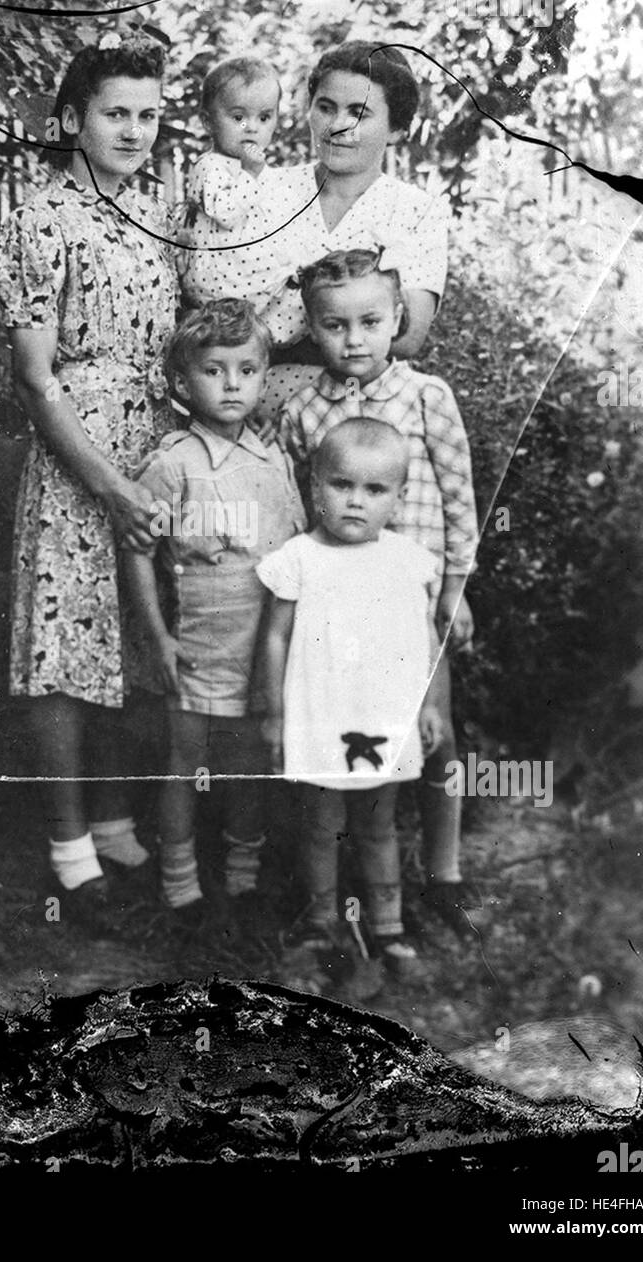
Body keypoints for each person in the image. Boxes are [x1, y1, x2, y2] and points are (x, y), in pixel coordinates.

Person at [0, 40, 177, 930]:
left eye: (148, 113)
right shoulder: (40, 220)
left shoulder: (157, 215)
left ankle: (113, 824)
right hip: (80, 463)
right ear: (72, 121)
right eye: (115, 113)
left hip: (154, 452)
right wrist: (106, 484)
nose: (134, 130)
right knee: (64, 655)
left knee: (130, 646)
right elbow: (35, 379)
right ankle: (70, 855)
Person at [278, 248, 483, 939]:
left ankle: (444, 872)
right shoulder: (303, 410)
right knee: (351, 739)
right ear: (313, 329)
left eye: (370, 321)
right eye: (335, 326)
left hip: (413, 605)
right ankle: (347, 888)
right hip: (339, 614)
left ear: (396, 318)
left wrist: (455, 586)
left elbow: (459, 497)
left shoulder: (426, 397)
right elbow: (297, 513)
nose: (354, 339)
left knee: (435, 732)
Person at [122, 299, 306, 918]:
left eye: (247, 370)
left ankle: (244, 879)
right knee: (185, 761)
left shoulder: (274, 461)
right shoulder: (173, 464)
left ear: (263, 377)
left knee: (249, 764)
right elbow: (138, 553)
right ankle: (179, 887)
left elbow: (296, 561)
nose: (232, 384)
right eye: (214, 370)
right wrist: (156, 638)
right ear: (181, 382)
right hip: (197, 647)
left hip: (260, 650)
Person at [256, 419, 443, 991]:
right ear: (315, 487)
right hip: (321, 711)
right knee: (322, 823)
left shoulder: (408, 559)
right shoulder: (300, 558)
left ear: (399, 498)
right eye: (341, 485)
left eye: (375, 490)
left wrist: (432, 705)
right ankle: (319, 922)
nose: (356, 502)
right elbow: (275, 638)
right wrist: (273, 712)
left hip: (381, 711)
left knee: (380, 823)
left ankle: (386, 926)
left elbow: (427, 638)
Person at [257, 40, 451, 416]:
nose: (337, 126)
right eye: (326, 108)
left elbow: (408, 335)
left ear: (396, 129)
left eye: (358, 113)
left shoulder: (415, 211)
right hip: (251, 401)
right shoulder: (267, 190)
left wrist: (290, 336)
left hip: (363, 411)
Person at [180, 56, 298, 313]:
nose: (252, 128)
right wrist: (250, 174)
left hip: (252, 282)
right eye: (238, 117)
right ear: (208, 122)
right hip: (220, 285)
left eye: (264, 117)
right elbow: (225, 213)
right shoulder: (209, 166)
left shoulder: (260, 170)